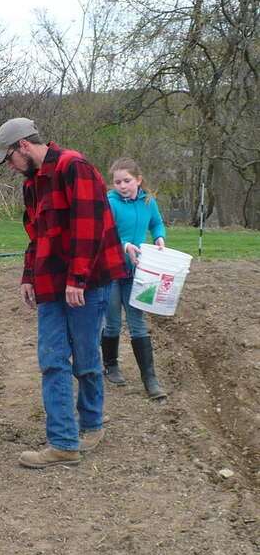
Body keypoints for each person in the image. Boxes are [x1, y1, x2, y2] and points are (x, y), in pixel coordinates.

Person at [0, 118, 127, 469]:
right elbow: (37, 234)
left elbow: (89, 225)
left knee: (85, 357)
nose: (9, 167)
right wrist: (28, 275)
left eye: (8, 159)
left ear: (22, 146)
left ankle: (92, 424)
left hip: (87, 280)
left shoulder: (73, 167)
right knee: (52, 360)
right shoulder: (31, 184)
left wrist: (77, 278)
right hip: (52, 282)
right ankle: (64, 443)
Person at [101, 157, 167, 399]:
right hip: (110, 270)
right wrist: (125, 245)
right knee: (114, 322)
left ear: (138, 180)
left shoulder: (148, 202)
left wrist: (159, 237)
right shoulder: (109, 203)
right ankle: (111, 364)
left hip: (138, 271)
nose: (122, 185)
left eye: (127, 180)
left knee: (137, 322)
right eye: (117, 182)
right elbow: (104, 235)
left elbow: (157, 224)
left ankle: (150, 378)